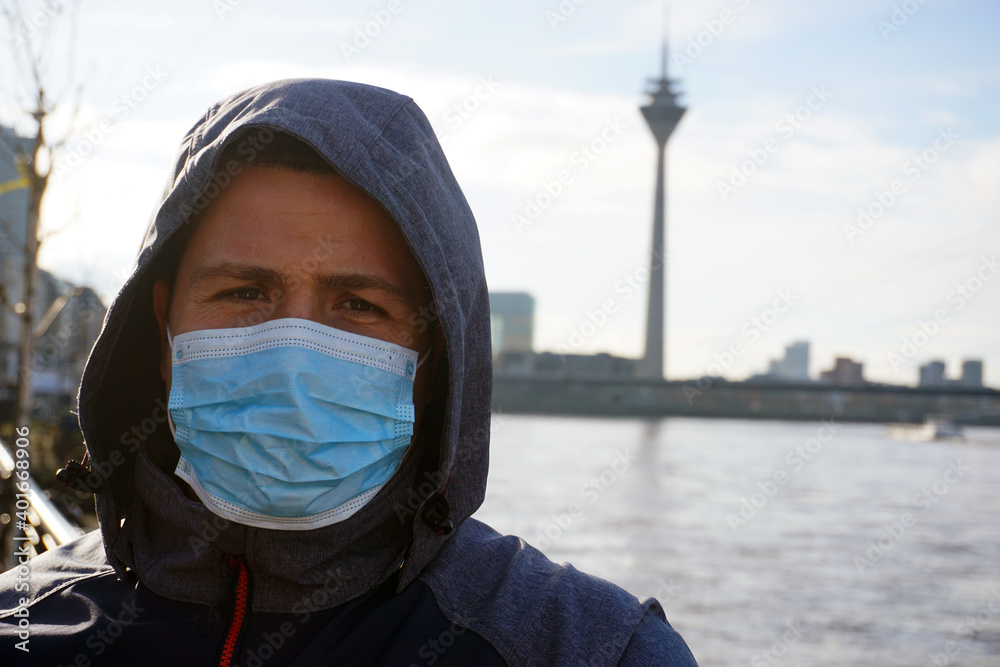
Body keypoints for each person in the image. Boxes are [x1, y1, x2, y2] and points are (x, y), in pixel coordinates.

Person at [0, 79, 697, 666]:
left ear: (434, 360)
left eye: (359, 304)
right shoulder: (21, 628)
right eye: (245, 292)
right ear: (162, 330)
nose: (292, 357)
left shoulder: (588, 650)